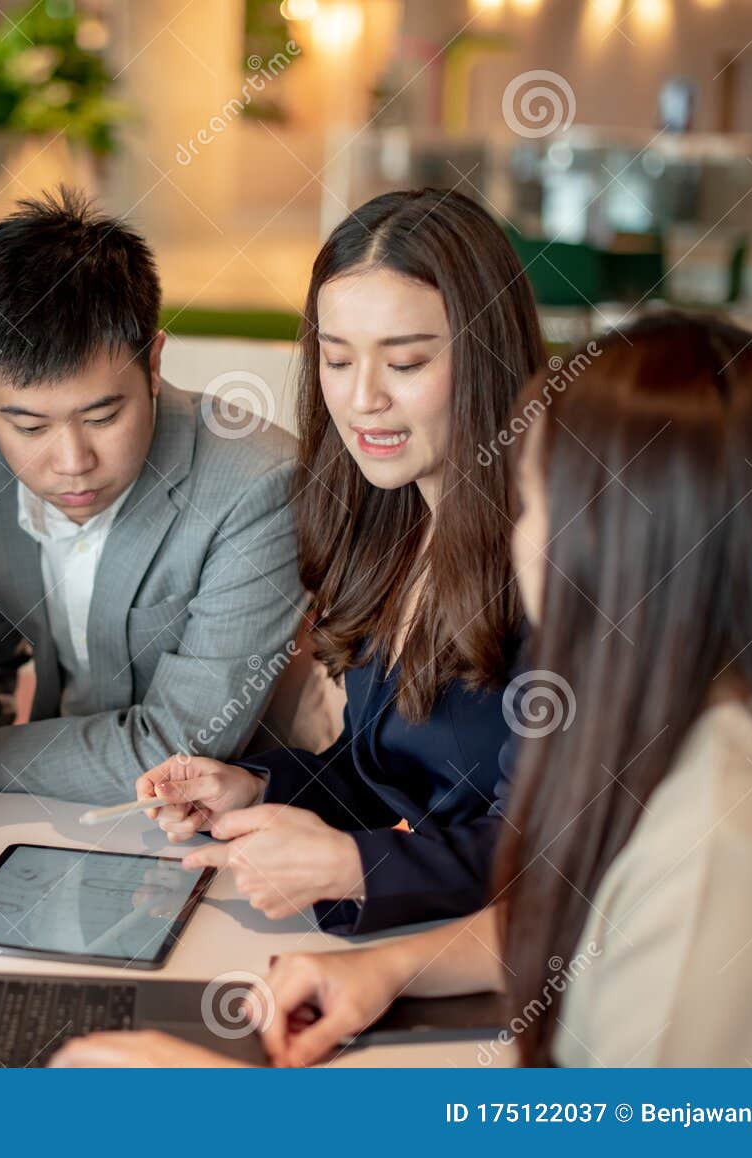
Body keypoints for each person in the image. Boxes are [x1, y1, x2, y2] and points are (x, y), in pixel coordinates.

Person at [55, 312, 752, 1068]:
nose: (513, 533)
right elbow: (575, 915)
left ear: (616, 542)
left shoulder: (725, 848)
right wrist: (394, 967)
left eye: (532, 501)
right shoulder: (700, 733)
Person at [136, 189, 541, 935]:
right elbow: (376, 777)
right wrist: (255, 788)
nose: (362, 399)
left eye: (406, 362)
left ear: (489, 359)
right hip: (409, 932)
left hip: (495, 958)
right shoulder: (386, 525)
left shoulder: (556, 556)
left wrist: (354, 868)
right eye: (337, 358)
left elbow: (544, 846)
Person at [0, 189, 303, 801]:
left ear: (153, 364)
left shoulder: (258, 482)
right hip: (36, 806)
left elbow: (181, 748)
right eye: (29, 428)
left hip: (220, 820)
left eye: (103, 417)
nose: (73, 463)